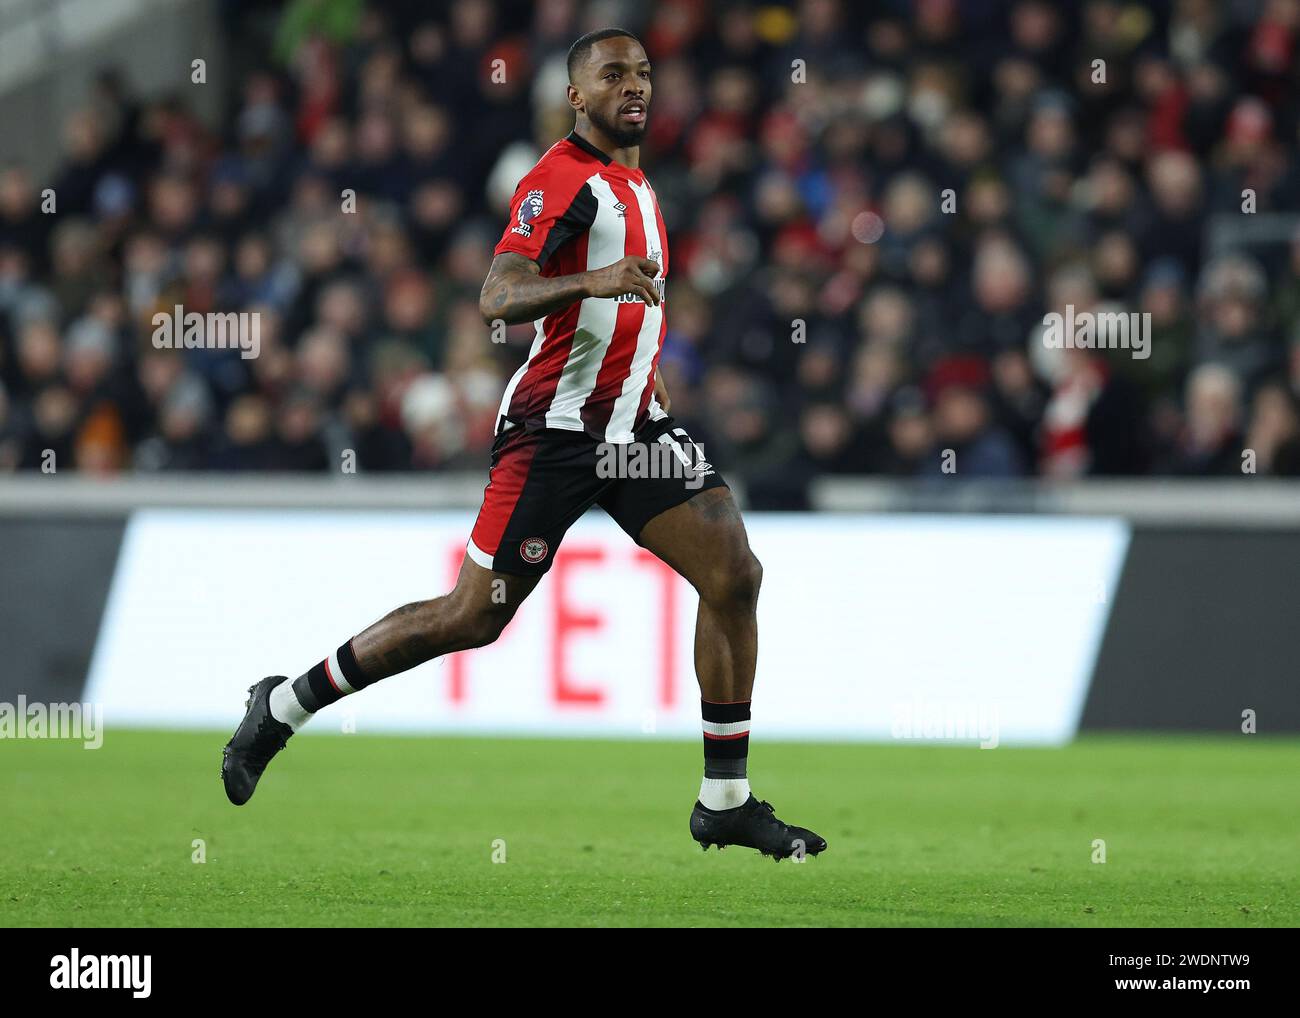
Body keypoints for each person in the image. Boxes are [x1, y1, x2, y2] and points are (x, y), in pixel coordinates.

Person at [221, 28, 825, 861]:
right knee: (471, 617)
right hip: (555, 434)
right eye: (613, 75)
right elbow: (496, 296)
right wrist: (589, 282)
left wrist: (641, 367)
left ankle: (725, 800)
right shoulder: (559, 180)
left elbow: (626, 305)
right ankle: (285, 702)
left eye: (643, 74)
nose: (635, 87)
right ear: (576, 96)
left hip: (631, 429)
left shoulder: (638, 183)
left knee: (733, 571)